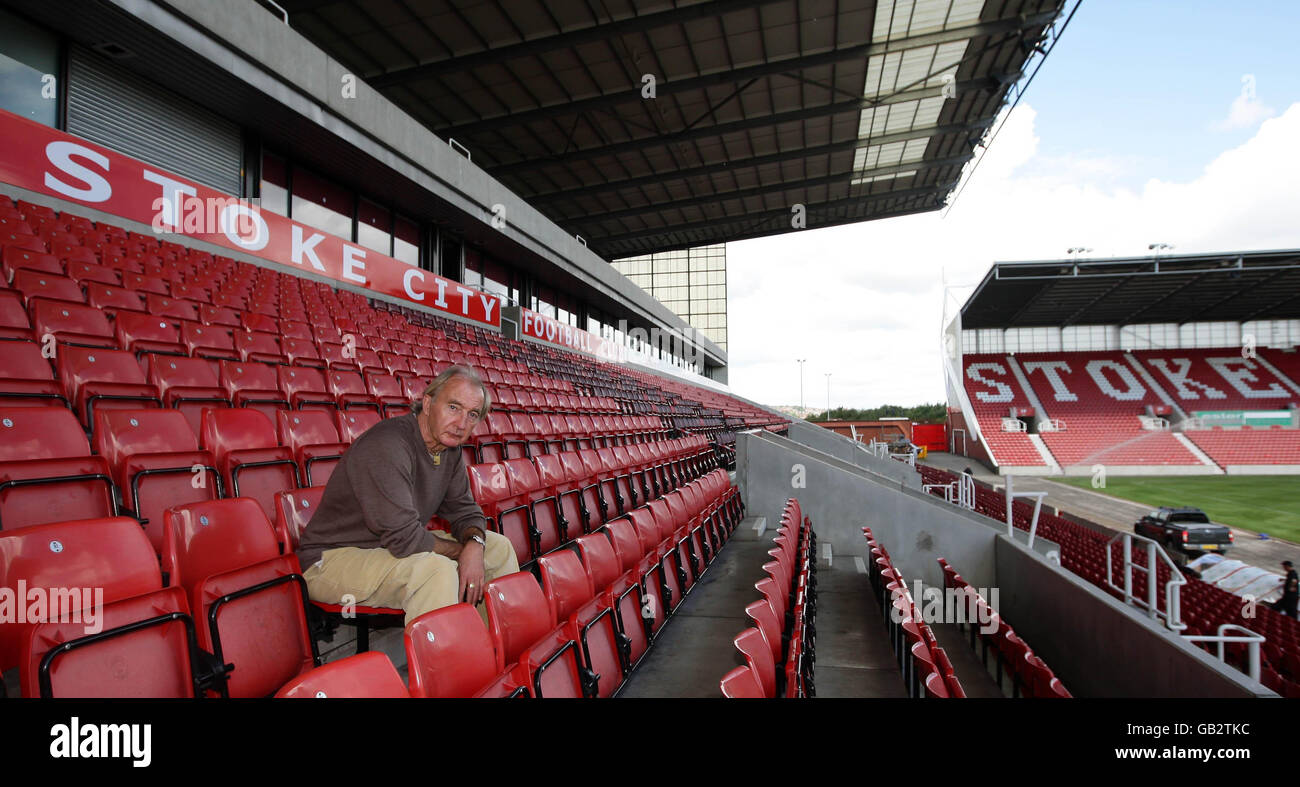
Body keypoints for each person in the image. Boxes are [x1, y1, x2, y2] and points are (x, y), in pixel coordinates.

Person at [296, 365, 519, 625]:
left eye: (472, 415)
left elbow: (464, 511)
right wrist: (463, 552)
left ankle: (494, 648)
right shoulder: (387, 445)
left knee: (498, 549)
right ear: (427, 403)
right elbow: (404, 539)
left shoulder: (449, 449)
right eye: (453, 407)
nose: (461, 424)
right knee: (434, 570)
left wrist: (475, 545)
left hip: (386, 548)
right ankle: (447, 663)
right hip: (331, 559)